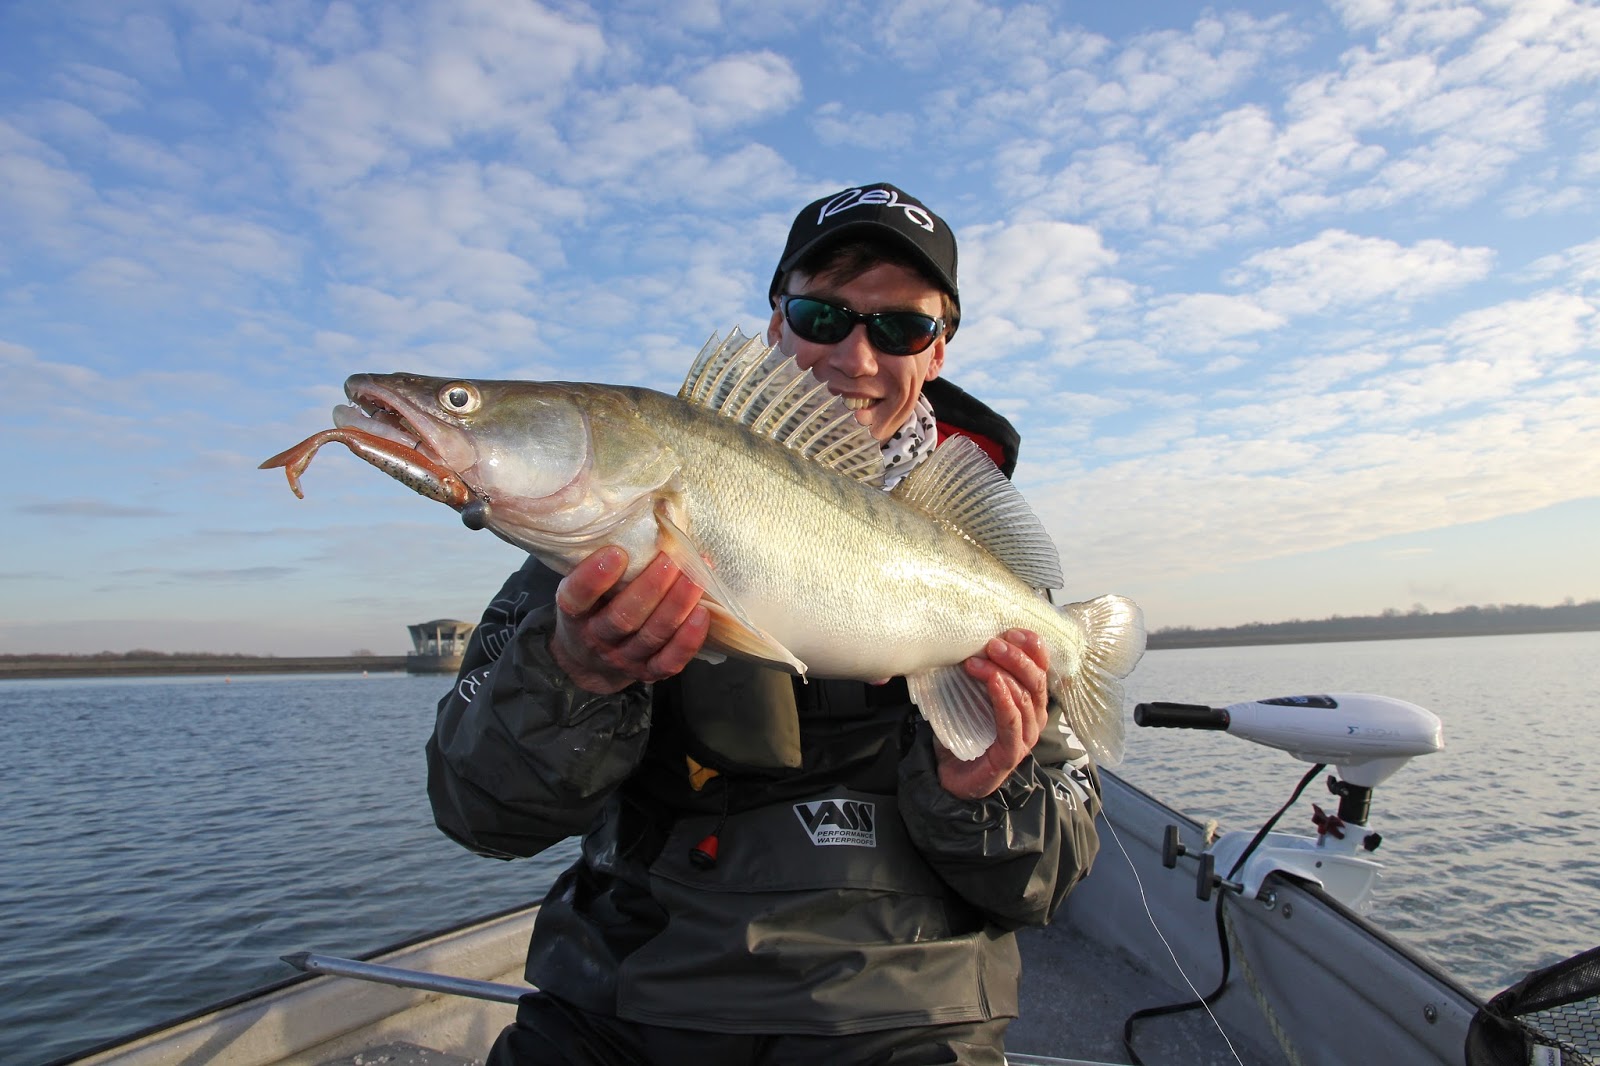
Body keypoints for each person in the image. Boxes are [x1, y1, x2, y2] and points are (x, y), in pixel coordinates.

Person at [427, 182, 1102, 1065]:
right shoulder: (587, 554)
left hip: (906, 1017)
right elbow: (479, 813)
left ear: (937, 353)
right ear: (777, 322)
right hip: (629, 998)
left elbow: (1046, 881)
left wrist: (983, 790)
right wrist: (573, 678)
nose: (857, 357)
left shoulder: (982, 571)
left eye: (901, 329)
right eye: (823, 314)